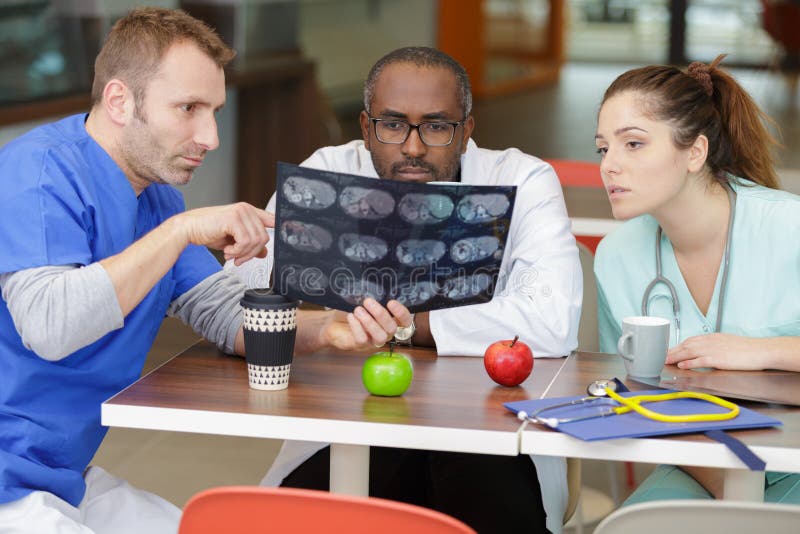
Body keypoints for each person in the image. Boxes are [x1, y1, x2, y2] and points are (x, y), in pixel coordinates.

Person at [0, 8, 403, 534]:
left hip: (58, 476)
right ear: (120, 101)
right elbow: (51, 327)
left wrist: (327, 328)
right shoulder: (40, 171)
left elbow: (226, 317)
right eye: (188, 108)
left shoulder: (157, 199)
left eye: (213, 110)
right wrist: (180, 232)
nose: (210, 136)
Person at [231, 46, 582, 533]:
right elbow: (244, 289)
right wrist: (299, 288)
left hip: (484, 435)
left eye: (437, 127)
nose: (413, 148)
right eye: (392, 125)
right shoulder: (328, 173)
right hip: (353, 427)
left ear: (467, 130)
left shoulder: (521, 179)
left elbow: (550, 321)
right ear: (365, 125)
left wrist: (405, 327)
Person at [593, 54, 800, 505]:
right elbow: (633, 391)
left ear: (695, 152)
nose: (609, 165)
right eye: (603, 148)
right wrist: (729, 487)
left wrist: (764, 351)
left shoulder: (790, 227)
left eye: (632, 144)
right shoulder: (616, 257)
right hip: (700, 461)